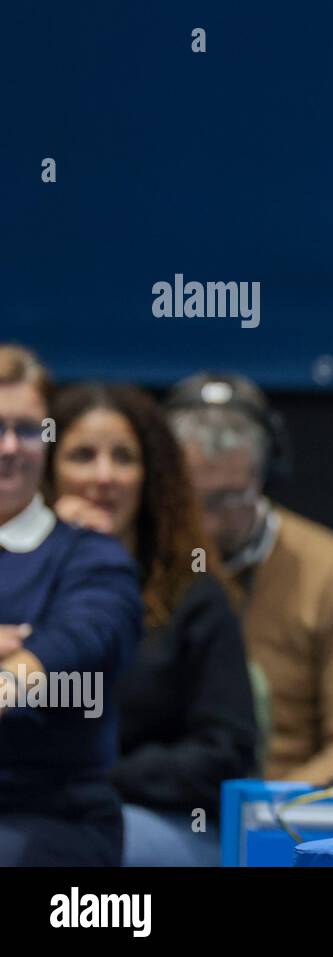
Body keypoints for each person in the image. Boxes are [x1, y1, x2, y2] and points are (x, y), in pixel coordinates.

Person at [47, 382, 257, 865]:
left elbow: (225, 753)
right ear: (49, 470)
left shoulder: (194, 594)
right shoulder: (17, 579)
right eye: (82, 456)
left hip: (163, 818)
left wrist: (100, 773)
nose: (104, 476)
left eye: (123, 457)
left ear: (149, 476)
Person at [166, 373, 333, 785]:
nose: (206, 524)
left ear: (265, 478)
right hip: (167, 798)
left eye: (227, 498)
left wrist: (261, 813)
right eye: (189, 499)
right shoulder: (141, 567)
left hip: (282, 808)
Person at [0, 346, 142, 865]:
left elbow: (76, 644)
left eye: (27, 429)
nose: (11, 447)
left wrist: (16, 672)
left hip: (49, 818)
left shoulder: (92, 554)